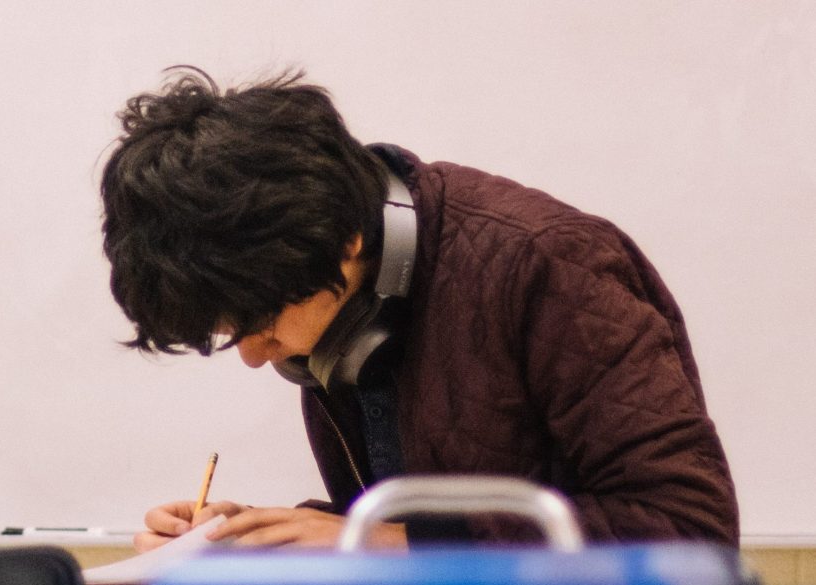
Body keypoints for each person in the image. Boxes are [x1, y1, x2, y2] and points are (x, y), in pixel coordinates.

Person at [100, 66, 738, 552]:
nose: (252, 357)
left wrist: (385, 545)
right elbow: (423, 523)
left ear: (345, 241)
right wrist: (264, 539)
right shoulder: (345, 306)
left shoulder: (549, 262)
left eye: (260, 324)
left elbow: (688, 529)